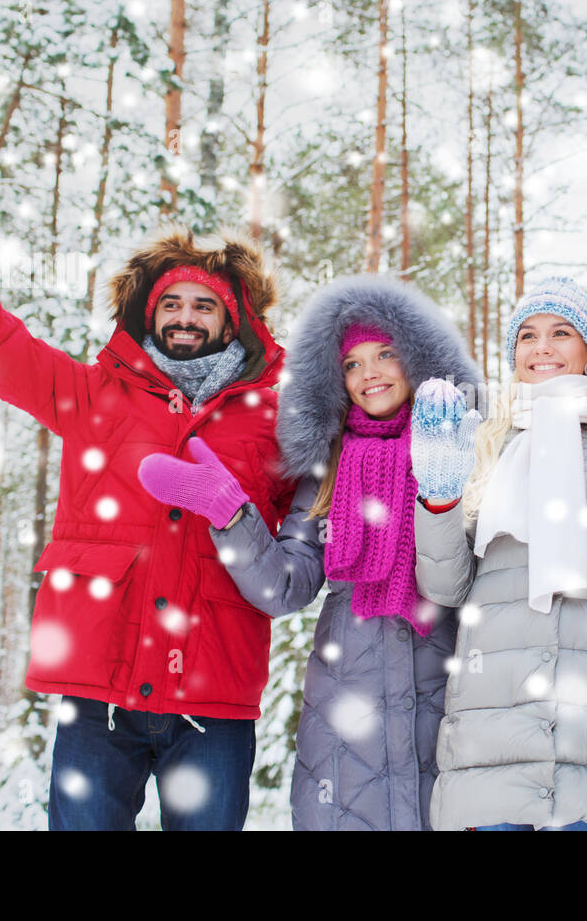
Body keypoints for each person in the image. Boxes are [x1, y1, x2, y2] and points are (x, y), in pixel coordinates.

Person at [0, 174, 294, 831]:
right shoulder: (93, 396)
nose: (186, 317)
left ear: (234, 321)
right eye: (172, 304)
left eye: (204, 306)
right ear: (148, 314)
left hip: (215, 697)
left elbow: (325, 503)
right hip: (99, 695)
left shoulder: (272, 421)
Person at [141, 275, 481, 830]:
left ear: (417, 357)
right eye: (352, 364)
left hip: (445, 684)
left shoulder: (463, 447)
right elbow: (285, 587)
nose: (369, 373)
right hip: (347, 707)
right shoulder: (328, 470)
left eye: (385, 354)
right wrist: (231, 513)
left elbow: (468, 577)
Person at [412, 277, 587, 831]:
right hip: (490, 739)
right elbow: (446, 587)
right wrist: (440, 492)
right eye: (527, 336)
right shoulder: (487, 442)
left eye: (560, 332)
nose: (541, 347)